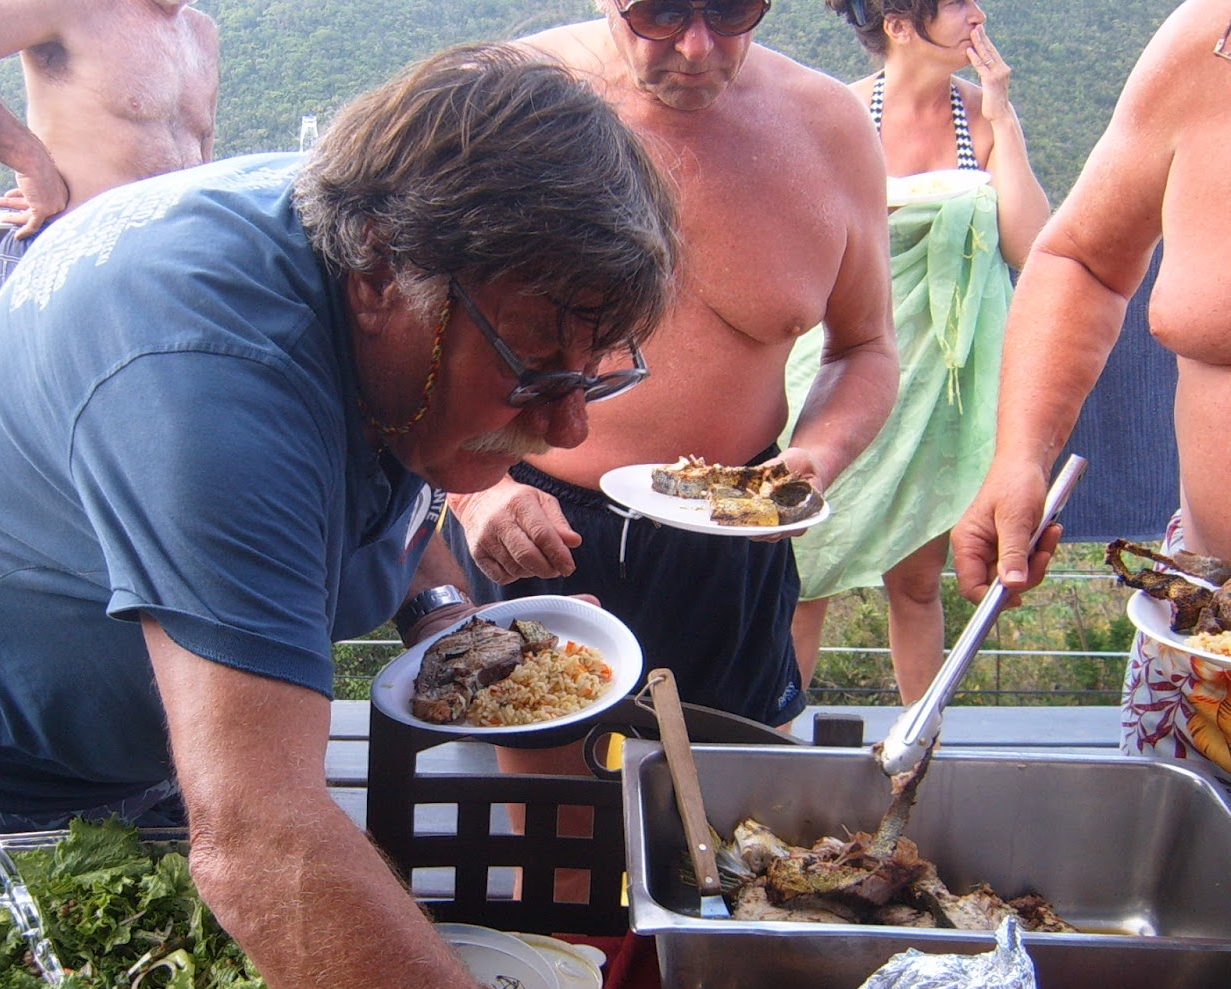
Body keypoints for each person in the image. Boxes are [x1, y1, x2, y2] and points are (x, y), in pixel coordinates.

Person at [0, 44, 723, 989]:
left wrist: (446, 616)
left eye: (592, 374)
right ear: (378, 274)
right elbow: (261, 845)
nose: (566, 431)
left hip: (178, 663)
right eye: (532, 371)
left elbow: (394, 464)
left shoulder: (378, 271)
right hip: (5, 683)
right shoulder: (210, 378)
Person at [445, 0, 899, 777]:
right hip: (537, 523)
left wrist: (816, 459)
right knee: (557, 830)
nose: (695, 46)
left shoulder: (829, 127)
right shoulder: (507, 100)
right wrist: (472, 492)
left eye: (731, 10)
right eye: (659, 12)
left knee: (736, 816)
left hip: (734, 532)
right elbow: (414, 329)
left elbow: (865, 348)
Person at [952, 0, 1231, 777]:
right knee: (1176, 855)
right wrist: (1021, 456)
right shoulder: (1208, 43)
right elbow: (1082, 259)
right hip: (1200, 638)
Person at [782, 0, 1048, 705]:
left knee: (918, 581)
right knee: (804, 575)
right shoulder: (841, 114)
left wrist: (1004, 116)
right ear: (899, 26)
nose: (978, 14)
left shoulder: (979, 116)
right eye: (956, 3)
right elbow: (802, 247)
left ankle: (918, 744)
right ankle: (778, 740)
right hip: (839, 369)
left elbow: (1030, 246)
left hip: (942, 387)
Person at [0, 0, 219, 294]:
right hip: (70, 254)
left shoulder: (201, 32)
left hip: (171, 264)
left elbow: (200, 147)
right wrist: (31, 162)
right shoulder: (78, 6)